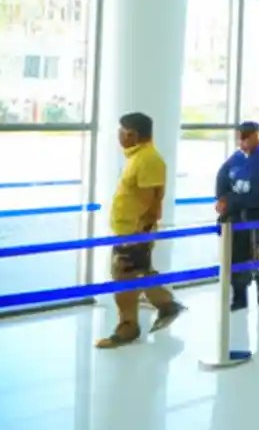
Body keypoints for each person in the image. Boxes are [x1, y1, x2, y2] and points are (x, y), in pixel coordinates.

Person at [97, 112, 186, 349]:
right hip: (128, 231)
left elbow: (154, 200)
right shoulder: (137, 157)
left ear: (132, 134)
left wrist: (139, 235)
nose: (118, 135)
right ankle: (167, 305)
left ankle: (128, 326)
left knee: (123, 279)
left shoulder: (148, 159)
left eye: (121, 130)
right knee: (141, 274)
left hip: (134, 233)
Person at [215, 121, 259, 311]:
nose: (242, 141)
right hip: (235, 219)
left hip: (257, 217)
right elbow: (222, 178)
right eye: (240, 137)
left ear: (256, 136)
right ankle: (240, 297)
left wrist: (231, 202)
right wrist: (223, 200)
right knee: (236, 257)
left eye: (247, 136)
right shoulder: (236, 158)